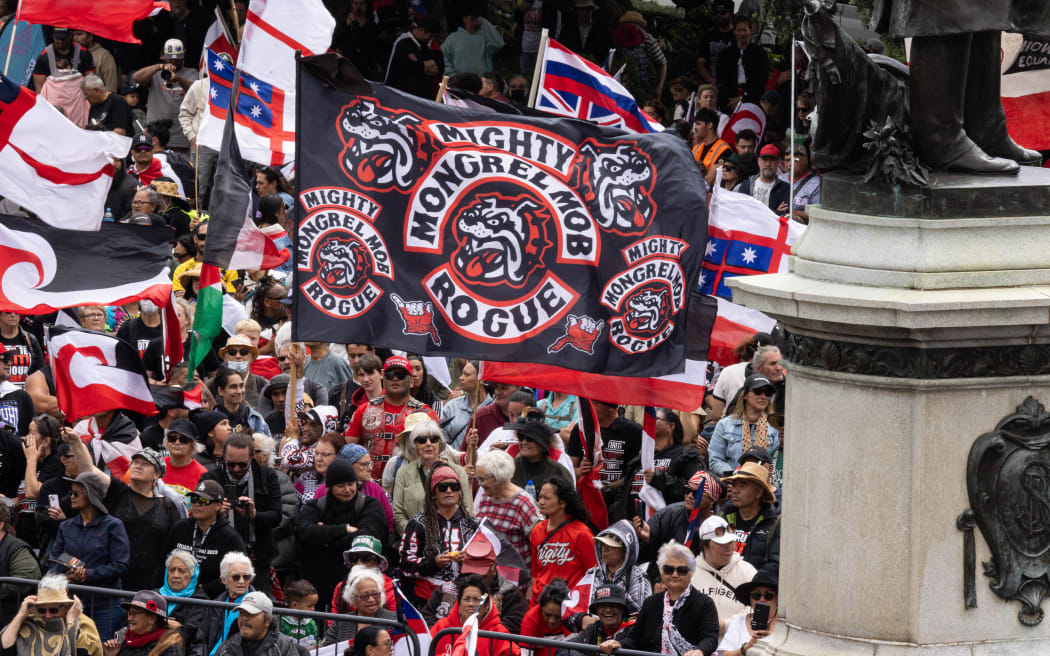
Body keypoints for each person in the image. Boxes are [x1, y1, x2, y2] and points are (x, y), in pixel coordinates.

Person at [599, 541, 719, 656]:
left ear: (691, 573)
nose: (675, 574)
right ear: (661, 573)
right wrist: (618, 643)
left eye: (682, 570)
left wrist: (700, 651)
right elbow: (634, 638)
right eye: (668, 569)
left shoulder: (705, 604)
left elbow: (710, 638)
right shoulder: (651, 602)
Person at [199, 433, 284, 594]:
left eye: (242, 464)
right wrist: (216, 515)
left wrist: (255, 515)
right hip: (219, 559)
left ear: (252, 457)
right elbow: (198, 520)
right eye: (230, 464)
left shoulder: (267, 476)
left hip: (257, 559)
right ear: (223, 457)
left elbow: (276, 516)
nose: (236, 469)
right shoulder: (210, 479)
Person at [47, 471, 130, 637]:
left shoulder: (113, 526)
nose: (71, 496)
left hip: (106, 604)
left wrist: (88, 574)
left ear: (92, 496)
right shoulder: (66, 527)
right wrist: (67, 574)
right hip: (71, 602)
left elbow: (121, 565)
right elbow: (53, 562)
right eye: (71, 492)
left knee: (100, 649)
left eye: (76, 493)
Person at [296, 459, 388, 603]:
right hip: (318, 587)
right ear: (330, 487)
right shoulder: (315, 507)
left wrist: (323, 538)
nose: (347, 490)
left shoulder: (370, 505)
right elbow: (304, 532)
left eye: (351, 484)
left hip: (358, 589)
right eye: (340, 486)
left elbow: (368, 536)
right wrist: (344, 529)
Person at [345, 356, 438, 483]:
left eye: (400, 375)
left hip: (409, 484)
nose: (395, 378)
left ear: (411, 381)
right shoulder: (364, 410)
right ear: (383, 378)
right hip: (368, 484)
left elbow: (437, 452)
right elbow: (349, 449)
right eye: (390, 374)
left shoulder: (425, 413)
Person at [400, 465, 479, 604]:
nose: (449, 491)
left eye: (454, 486)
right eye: (443, 487)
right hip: (427, 598)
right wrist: (433, 563)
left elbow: (486, 561)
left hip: (465, 597)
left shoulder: (473, 523)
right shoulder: (419, 523)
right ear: (433, 493)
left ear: (459, 491)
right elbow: (406, 564)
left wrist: (469, 560)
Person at [164, 480, 247, 596]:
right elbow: (163, 561)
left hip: (210, 601)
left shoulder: (230, 537)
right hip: (174, 593)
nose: (196, 504)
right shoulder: (179, 528)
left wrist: (204, 589)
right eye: (194, 499)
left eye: (203, 501)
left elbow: (238, 575)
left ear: (218, 505)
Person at [393, 421, 472, 536]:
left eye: (434, 439)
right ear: (415, 445)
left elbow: (466, 510)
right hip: (415, 540)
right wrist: (416, 534)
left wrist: (448, 536)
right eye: (422, 440)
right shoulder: (404, 473)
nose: (428, 443)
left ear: (440, 444)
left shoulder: (458, 471)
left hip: (451, 541)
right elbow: (398, 514)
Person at [635, 471, 723, 573]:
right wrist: (645, 539)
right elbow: (644, 555)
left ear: (712, 499)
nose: (689, 496)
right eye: (687, 490)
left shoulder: (720, 524)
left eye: (696, 493)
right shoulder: (668, 514)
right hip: (665, 577)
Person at [528, 478, 596, 603]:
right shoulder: (537, 531)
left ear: (562, 503)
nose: (540, 502)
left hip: (569, 604)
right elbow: (535, 574)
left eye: (547, 498)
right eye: (540, 497)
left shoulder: (582, 533)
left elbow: (593, 574)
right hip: (539, 603)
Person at [567, 401, 640, 515]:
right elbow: (570, 469)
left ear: (611, 408)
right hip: (586, 502)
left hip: (619, 504)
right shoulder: (580, 429)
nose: (590, 407)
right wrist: (581, 471)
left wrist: (608, 488)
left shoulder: (633, 431)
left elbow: (635, 474)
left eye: (595, 404)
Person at [474, 449, 541, 568]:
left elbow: (539, 546)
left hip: (517, 579)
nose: (480, 483)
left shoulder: (523, 504)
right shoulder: (486, 497)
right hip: (490, 576)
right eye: (478, 478)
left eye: (483, 479)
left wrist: (533, 581)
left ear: (499, 476)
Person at [1, 574, 96, 655]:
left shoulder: (83, 623)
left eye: (53, 610)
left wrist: (70, 622)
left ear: (65, 608)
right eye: (42, 610)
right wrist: (20, 615)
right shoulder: (28, 623)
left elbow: (78, 652)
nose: (48, 615)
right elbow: (4, 649)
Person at [691, 515, 757, 633]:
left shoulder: (747, 572)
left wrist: (726, 625)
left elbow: (760, 609)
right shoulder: (689, 573)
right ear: (705, 545)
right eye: (722, 544)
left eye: (731, 542)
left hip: (737, 648)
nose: (729, 548)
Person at [708, 375, 781, 477]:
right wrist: (735, 474)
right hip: (732, 484)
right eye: (758, 391)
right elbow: (715, 460)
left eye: (768, 393)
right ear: (745, 395)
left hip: (763, 484)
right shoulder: (725, 425)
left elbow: (777, 461)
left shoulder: (774, 427)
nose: (763, 396)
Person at [577, 521, 650, 621]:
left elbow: (642, 615)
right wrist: (582, 619)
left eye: (610, 546)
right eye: (602, 544)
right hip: (593, 633)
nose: (604, 549)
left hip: (625, 634)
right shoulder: (592, 574)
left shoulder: (638, 576)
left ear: (626, 550)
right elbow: (572, 606)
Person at [430, 573, 518, 656]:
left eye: (476, 600)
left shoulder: (498, 633)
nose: (471, 604)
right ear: (459, 604)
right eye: (466, 599)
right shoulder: (442, 627)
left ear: (486, 606)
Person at [133, 38, 196, 151]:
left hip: (180, 135)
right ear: (163, 57)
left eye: (177, 59)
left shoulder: (191, 73)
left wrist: (179, 80)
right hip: (155, 134)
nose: (173, 62)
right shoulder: (156, 72)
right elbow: (136, 77)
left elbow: (196, 91)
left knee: (180, 166)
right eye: (170, 59)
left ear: (182, 58)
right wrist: (160, 67)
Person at [191, 552, 256, 656]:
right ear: (223, 579)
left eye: (246, 577)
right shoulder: (215, 605)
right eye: (236, 577)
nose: (242, 581)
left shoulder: (258, 606)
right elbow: (200, 640)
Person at [721, 462, 780, 576]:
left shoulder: (774, 523)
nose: (734, 490)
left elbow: (774, 563)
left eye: (742, 485)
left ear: (759, 492)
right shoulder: (724, 517)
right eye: (734, 484)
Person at [213, 590, 310, 656]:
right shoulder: (227, 647)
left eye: (251, 614)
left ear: (267, 620)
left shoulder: (283, 647)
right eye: (242, 613)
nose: (244, 618)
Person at [323, 566, 397, 644]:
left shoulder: (394, 621)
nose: (371, 599)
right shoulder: (340, 624)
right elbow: (328, 649)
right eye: (364, 596)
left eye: (375, 594)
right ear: (353, 599)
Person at [555, 584, 633, 656]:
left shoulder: (634, 630)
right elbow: (565, 648)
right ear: (596, 611)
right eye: (602, 606)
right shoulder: (594, 628)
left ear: (622, 609)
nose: (608, 610)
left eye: (613, 605)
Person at [714, 571, 778, 656]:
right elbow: (720, 654)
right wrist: (745, 648)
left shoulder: (785, 626)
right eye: (756, 595)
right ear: (750, 599)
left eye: (768, 595)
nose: (762, 599)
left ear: (777, 598)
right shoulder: (739, 622)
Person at [715, 16, 769, 113]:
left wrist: (743, 98)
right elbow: (721, 79)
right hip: (729, 101)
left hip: (753, 100)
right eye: (739, 30)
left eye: (745, 30)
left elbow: (761, 79)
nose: (742, 34)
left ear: (750, 31)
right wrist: (731, 99)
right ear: (734, 32)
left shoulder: (760, 53)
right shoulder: (725, 54)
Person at [103, 590, 182, 656]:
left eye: (134, 613)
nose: (129, 618)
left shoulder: (168, 647)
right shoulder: (124, 641)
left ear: (152, 618)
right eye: (129, 613)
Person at [338, 443, 394, 533]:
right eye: (364, 464)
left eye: (370, 463)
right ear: (348, 465)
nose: (370, 468)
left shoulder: (376, 490)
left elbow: (389, 521)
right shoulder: (328, 489)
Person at [385, 16, 443, 99]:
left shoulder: (427, 43)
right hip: (402, 95)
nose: (432, 39)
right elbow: (409, 67)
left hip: (423, 95)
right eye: (430, 36)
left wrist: (422, 65)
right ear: (422, 30)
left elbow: (440, 65)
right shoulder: (403, 43)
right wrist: (429, 64)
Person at [158, 549, 208, 644]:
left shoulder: (200, 600)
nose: (176, 575)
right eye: (172, 570)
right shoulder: (154, 595)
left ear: (192, 575)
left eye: (182, 571)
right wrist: (169, 624)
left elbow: (190, 632)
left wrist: (157, 622)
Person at [441, 361, 491, 449]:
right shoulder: (452, 406)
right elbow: (442, 439)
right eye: (462, 374)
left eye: (466, 375)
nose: (460, 378)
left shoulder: (493, 409)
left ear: (481, 378)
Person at [161, 418, 208, 508]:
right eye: (172, 438)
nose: (177, 442)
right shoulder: (157, 466)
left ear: (193, 445)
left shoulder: (202, 473)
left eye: (184, 439)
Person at [32, 27, 95, 92]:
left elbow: (91, 80)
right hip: (54, 98)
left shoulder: (83, 53)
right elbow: (40, 89)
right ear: (53, 36)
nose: (60, 41)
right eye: (57, 38)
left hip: (78, 95)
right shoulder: (44, 57)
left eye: (63, 38)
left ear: (70, 36)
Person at [442, 13, 504, 77]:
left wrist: (483, 21)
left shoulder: (486, 39)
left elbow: (499, 44)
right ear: (464, 19)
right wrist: (450, 74)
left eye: (477, 20)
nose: (475, 23)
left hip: (481, 83)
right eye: (472, 19)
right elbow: (443, 56)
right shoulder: (453, 37)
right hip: (459, 83)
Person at [519, 580, 571, 656]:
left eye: (558, 617)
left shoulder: (572, 617)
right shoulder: (531, 618)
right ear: (540, 607)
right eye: (547, 615)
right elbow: (525, 654)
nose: (552, 621)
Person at [214, 369, 270, 437]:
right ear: (221, 391)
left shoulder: (255, 418)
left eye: (241, 386)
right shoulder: (213, 421)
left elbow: (268, 445)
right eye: (233, 387)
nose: (239, 391)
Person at [736, 144, 790, 215]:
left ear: (778, 162)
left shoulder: (785, 188)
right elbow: (742, 210)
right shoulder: (746, 185)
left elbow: (783, 213)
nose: (768, 164)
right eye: (765, 159)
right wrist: (775, 212)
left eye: (772, 160)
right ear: (758, 161)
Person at [218, 336, 268, 409]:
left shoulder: (262, 384)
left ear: (252, 357)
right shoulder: (213, 385)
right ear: (225, 358)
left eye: (243, 352)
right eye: (232, 352)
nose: (238, 356)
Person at [696, 0, 735, 85]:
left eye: (723, 12)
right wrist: (710, 79)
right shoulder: (708, 37)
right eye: (716, 13)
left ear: (731, 14)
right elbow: (701, 63)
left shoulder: (738, 35)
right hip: (712, 85)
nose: (719, 16)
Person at [786, 141, 820, 223]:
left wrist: (792, 213)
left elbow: (817, 215)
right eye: (787, 160)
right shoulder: (780, 178)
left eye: (795, 160)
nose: (790, 164)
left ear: (805, 160)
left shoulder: (816, 184)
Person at [280, 579, 320, 647]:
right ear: (294, 605)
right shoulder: (282, 622)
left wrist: (317, 645)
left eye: (314, 606)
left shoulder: (311, 623)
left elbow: (317, 640)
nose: (313, 609)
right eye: (309, 606)